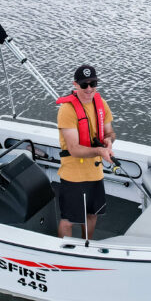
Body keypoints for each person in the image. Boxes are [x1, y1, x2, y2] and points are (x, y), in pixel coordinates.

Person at [55, 63, 116, 239]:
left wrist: (109, 141)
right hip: (73, 175)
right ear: (75, 85)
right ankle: (63, 254)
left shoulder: (101, 103)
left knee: (92, 214)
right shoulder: (67, 110)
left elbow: (110, 132)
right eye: (84, 85)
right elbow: (73, 149)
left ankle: (85, 246)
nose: (89, 89)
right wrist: (100, 151)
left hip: (95, 173)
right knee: (68, 220)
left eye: (93, 84)